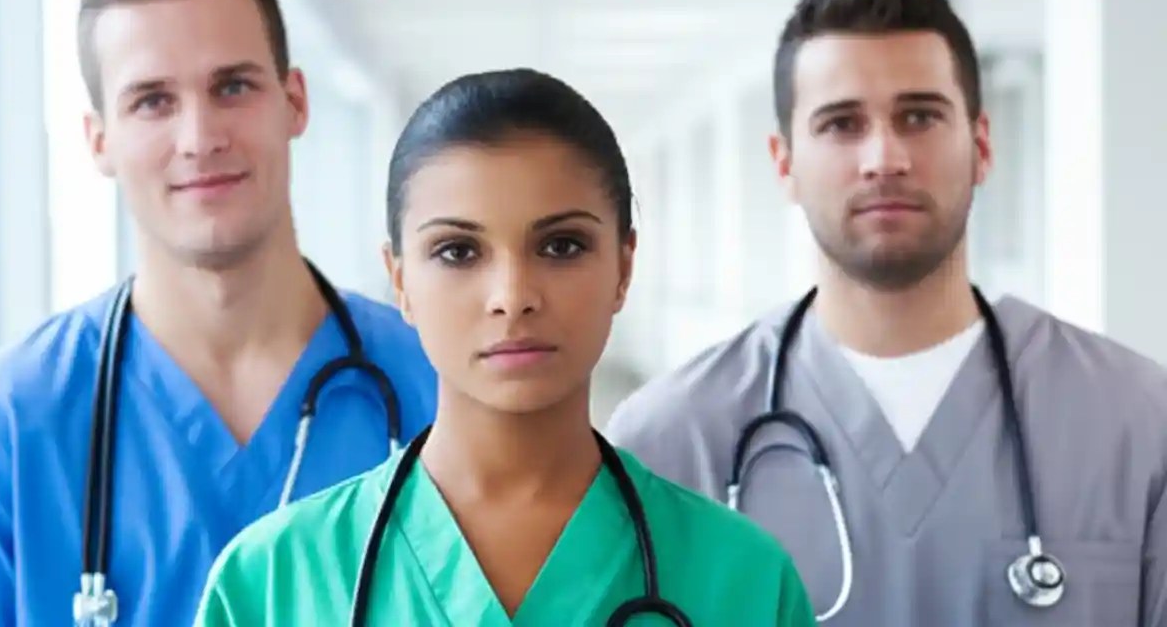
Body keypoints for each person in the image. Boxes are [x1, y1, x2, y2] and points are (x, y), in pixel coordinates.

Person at [0, 0, 437, 627]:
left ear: (294, 101)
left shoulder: (436, 390)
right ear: (99, 140)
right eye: (152, 100)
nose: (200, 137)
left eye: (232, 86)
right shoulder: (3, 434)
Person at [604, 0, 1167, 626]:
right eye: (842, 124)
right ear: (784, 163)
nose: (884, 157)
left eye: (920, 116)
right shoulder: (673, 440)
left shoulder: (1136, 422)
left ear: (981, 145)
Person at [191, 68, 816, 626]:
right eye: (458, 252)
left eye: (562, 246)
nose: (512, 296)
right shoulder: (270, 586)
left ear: (624, 267)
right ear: (401, 279)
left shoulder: (745, 582)